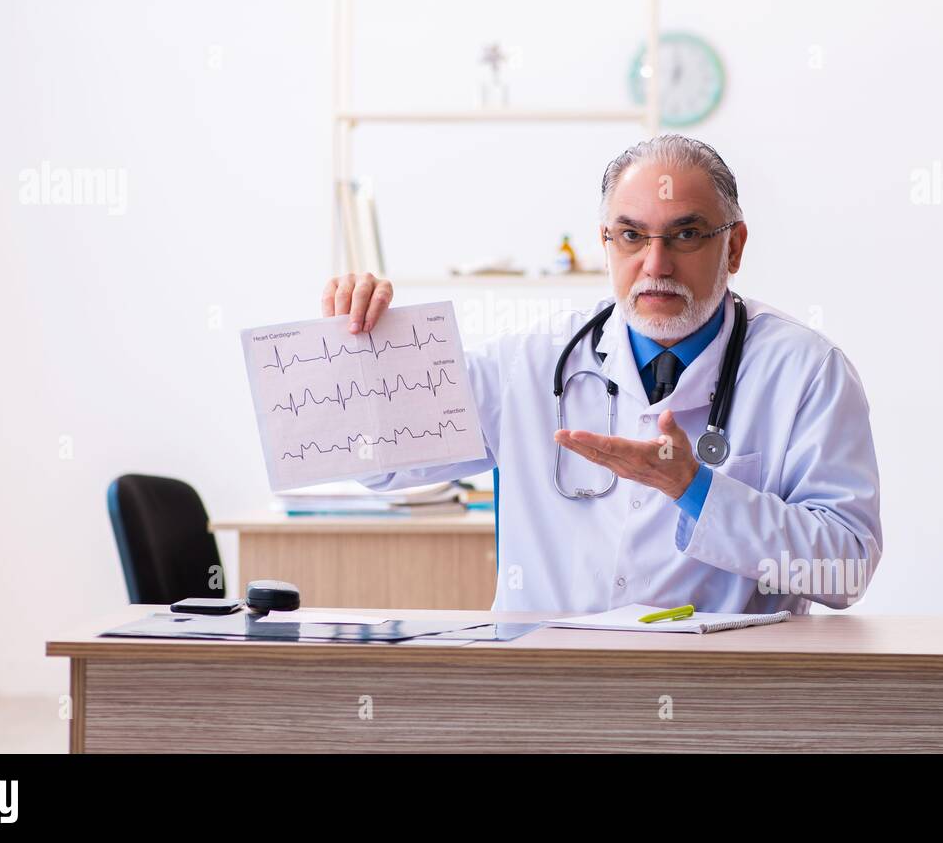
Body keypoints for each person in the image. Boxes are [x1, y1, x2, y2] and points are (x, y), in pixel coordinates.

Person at [320, 135, 881, 614]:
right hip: (548, 695)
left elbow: (846, 569)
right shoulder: (531, 361)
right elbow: (376, 462)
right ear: (606, 244)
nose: (656, 264)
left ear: (733, 246)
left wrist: (694, 488)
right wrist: (364, 347)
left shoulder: (807, 373)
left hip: (717, 696)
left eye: (685, 236)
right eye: (632, 236)